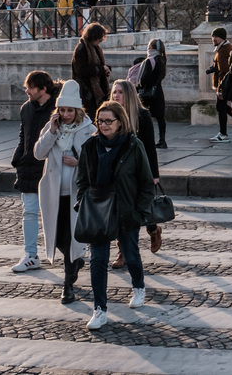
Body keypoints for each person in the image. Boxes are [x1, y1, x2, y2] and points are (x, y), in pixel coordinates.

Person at [77, 101, 154, 331]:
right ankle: (99, 309)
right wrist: (82, 202)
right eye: (100, 121)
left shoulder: (133, 145)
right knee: (98, 261)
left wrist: (139, 211)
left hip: (126, 210)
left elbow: (146, 183)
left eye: (109, 121)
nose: (104, 125)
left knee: (130, 253)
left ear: (120, 122)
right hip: (98, 212)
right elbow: (82, 179)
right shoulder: (90, 146)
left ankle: (139, 286)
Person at [32, 80, 95, 303]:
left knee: (70, 240)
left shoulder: (89, 130)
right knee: (57, 237)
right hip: (52, 193)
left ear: (77, 110)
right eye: (62, 110)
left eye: (69, 110)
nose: (66, 114)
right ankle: (76, 261)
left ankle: (67, 284)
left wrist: (78, 162)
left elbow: (95, 161)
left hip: (76, 195)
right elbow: (38, 153)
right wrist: (51, 131)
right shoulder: (52, 128)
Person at [9, 71, 62, 273]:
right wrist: (18, 159)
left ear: (43, 90)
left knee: (58, 214)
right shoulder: (26, 109)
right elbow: (23, 136)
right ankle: (31, 255)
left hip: (50, 168)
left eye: (30, 88)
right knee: (29, 212)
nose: (26, 91)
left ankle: (72, 254)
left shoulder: (59, 109)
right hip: (28, 167)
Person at [110, 79, 162, 261]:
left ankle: (154, 230)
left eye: (120, 92)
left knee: (144, 211)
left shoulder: (142, 115)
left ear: (129, 94)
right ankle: (122, 250)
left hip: (138, 171)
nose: (116, 95)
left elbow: (149, 147)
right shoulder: (109, 114)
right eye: (114, 92)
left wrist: (154, 174)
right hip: (117, 173)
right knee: (121, 212)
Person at [72, 23, 111, 119]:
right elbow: (81, 70)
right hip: (86, 89)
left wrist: (106, 69)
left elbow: (99, 65)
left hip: (96, 88)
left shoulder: (95, 47)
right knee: (90, 115)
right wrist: (101, 69)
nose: (101, 40)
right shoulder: (82, 48)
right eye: (100, 37)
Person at [206, 27, 232, 143]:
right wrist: (213, 69)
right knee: (222, 107)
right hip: (227, 84)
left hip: (224, 85)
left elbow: (224, 70)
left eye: (215, 37)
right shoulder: (226, 48)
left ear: (221, 37)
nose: (213, 39)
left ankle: (223, 134)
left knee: (221, 107)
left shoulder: (223, 50)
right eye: (213, 37)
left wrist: (220, 89)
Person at [138, 38, 168, 148]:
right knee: (160, 117)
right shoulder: (162, 59)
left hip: (147, 93)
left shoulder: (149, 60)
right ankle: (162, 140)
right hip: (158, 91)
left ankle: (146, 139)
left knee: (144, 117)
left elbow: (143, 79)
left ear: (150, 47)